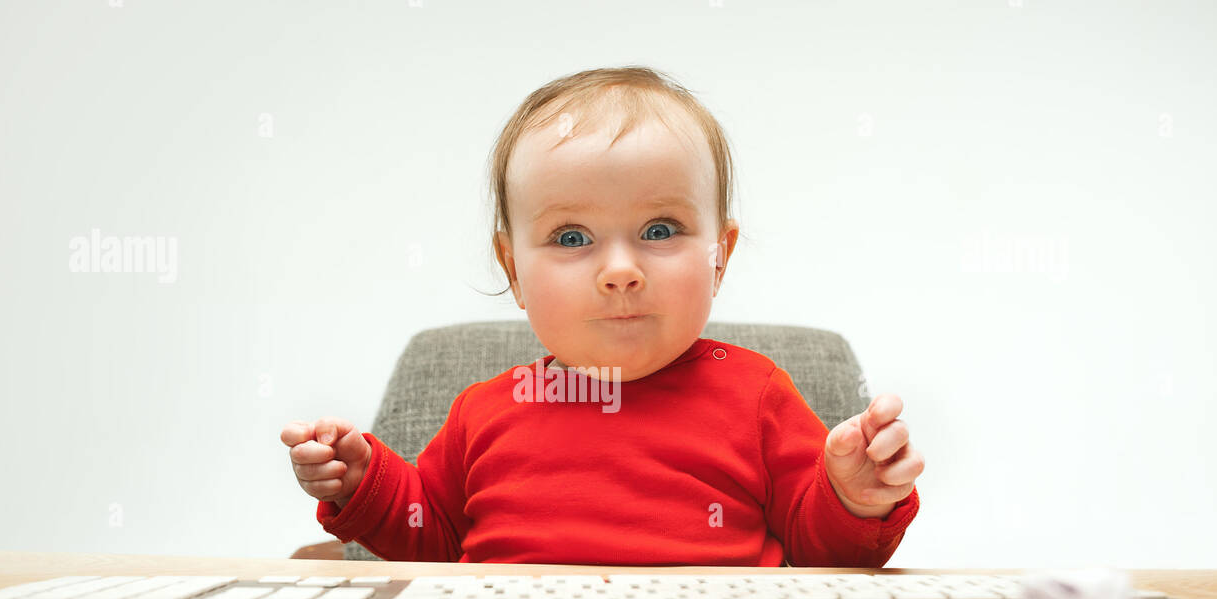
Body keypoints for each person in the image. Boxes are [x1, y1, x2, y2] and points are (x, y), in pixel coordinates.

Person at [280, 66, 923, 566]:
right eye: (570, 237)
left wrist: (853, 497)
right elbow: (433, 537)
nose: (620, 269)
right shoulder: (484, 413)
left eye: (660, 228)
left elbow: (821, 553)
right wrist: (365, 482)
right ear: (513, 271)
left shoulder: (755, 396)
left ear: (718, 257)